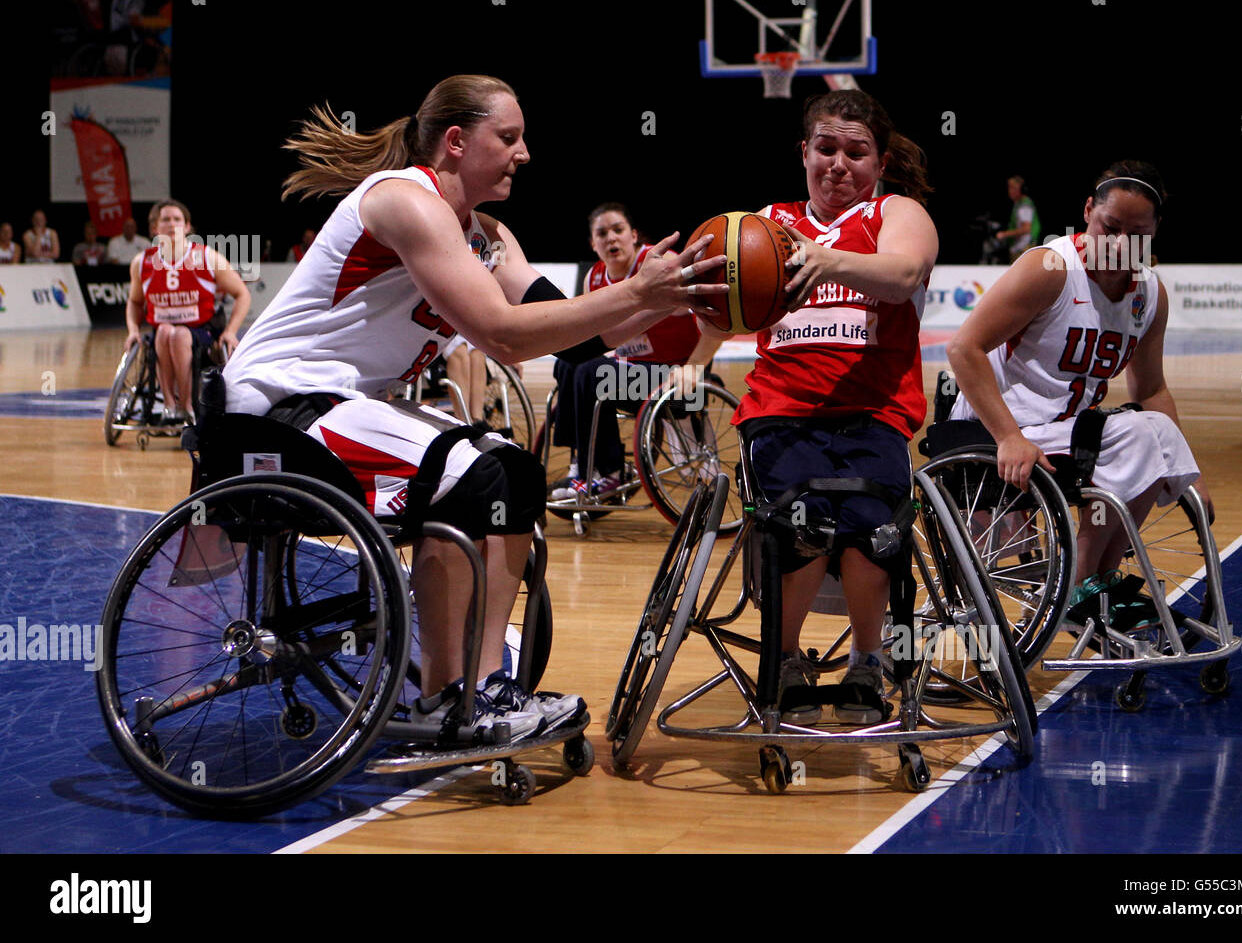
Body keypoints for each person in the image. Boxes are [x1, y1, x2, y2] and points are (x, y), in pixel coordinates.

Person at [219, 75, 725, 744]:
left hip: (337, 407)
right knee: (466, 473)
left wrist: (664, 297)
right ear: (457, 142)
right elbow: (506, 336)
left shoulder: (488, 235)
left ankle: (488, 688)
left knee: (512, 470)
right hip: (274, 408)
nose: (524, 153)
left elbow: (580, 340)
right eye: (509, 138)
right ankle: (442, 695)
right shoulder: (405, 201)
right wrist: (636, 289)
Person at [726, 89, 938, 726]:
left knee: (873, 529)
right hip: (780, 409)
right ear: (805, 152)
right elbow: (720, 298)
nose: (839, 163)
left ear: (877, 164)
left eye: (856, 152)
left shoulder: (896, 213)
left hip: (875, 408)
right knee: (802, 528)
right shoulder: (764, 222)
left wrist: (825, 260)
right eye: (827, 148)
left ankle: (868, 662)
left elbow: (903, 274)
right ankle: (784, 659)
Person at [945, 160, 1209, 628]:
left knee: (1153, 430)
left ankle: (1098, 582)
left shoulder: (1149, 295)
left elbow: (1151, 388)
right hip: (998, 427)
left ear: (1155, 231)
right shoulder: (1050, 268)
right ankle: (1080, 586)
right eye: (1110, 226)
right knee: (1134, 434)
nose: (1119, 243)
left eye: (1136, 233)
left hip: (1067, 434)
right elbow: (964, 348)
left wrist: (1188, 472)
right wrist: (1007, 436)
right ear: (1088, 211)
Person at [549, 202, 718, 500]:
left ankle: (610, 472)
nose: (611, 238)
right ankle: (581, 465)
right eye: (602, 233)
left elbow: (711, 313)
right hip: (633, 378)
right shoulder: (595, 279)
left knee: (589, 373)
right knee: (568, 363)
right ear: (593, 244)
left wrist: (695, 367)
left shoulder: (662, 264)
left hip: (679, 380)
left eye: (618, 230)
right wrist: (568, 393)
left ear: (634, 235)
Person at [125, 199, 250, 422]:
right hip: (162, 332)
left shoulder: (206, 257)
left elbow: (242, 294)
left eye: (177, 219)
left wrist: (231, 331)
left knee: (179, 334)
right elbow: (135, 302)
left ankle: (186, 404)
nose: (172, 225)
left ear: (187, 226)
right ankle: (170, 406)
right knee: (165, 331)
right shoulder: (141, 262)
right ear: (155, 228)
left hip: (201, 332)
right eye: (166, 220)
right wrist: (133, 329)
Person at [994, 175, 1040, 260]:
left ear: (1021, 189)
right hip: (1019, 248)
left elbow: (1026, 229)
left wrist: (1004, 234)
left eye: (1013, 188)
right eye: (1009, 187)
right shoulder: (1018, 204)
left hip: (1023, 249)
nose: (1010, 191)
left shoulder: (1024, 205)